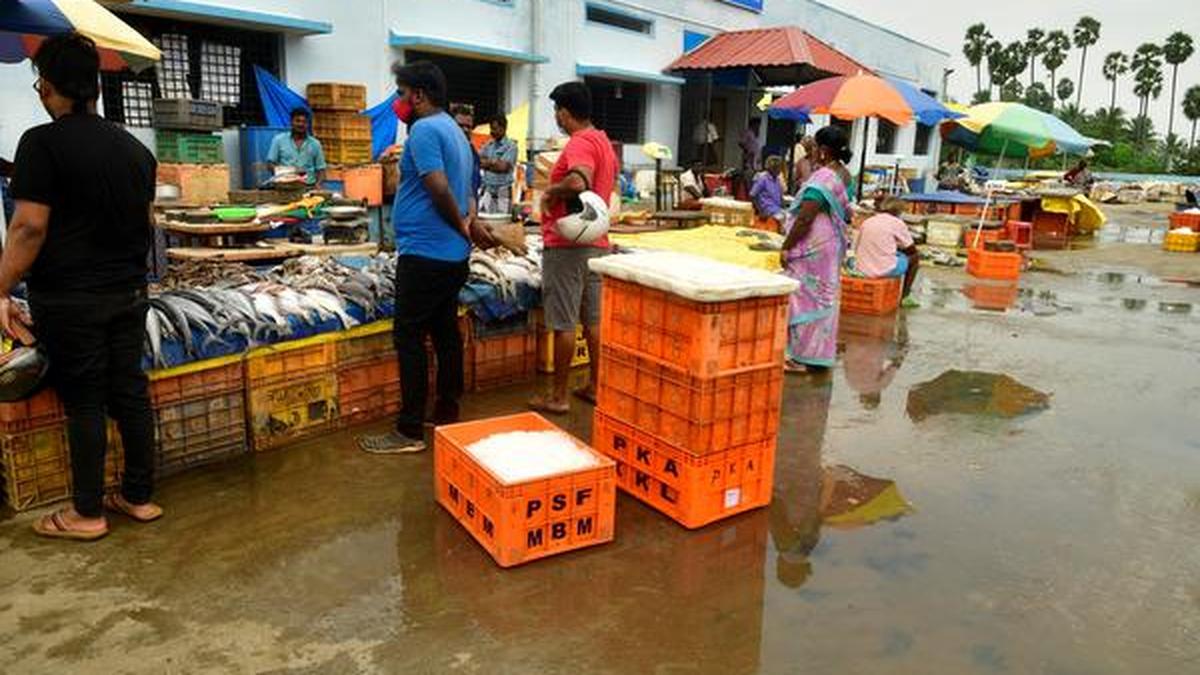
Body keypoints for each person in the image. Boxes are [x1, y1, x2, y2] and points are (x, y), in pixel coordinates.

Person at [0, 33, 161, 540]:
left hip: (72, 299)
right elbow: (147, 224)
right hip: (129, 293)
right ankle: (138, 497)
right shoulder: (135, 150)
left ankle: (86, 514)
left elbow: (28, 228)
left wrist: (0, 288)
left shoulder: (41, 144)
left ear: (46, 85)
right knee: (130, 391)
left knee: (86, 400)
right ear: (93, 85)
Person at [358, 61, 493, 455]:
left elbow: (437, 188)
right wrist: (467, 225)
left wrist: (462, 226)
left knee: (410, 337)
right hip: (450, 256)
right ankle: (446, 412)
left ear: (418, 95)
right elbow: (466, 189)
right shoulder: (455, 131)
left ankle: (409, 429)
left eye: (401, 93)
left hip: (426, 253)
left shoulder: (423, 131)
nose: (399, 101)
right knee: (445, 333)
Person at [528, 81, 618, 414]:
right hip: (597, 244)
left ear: (565, 112)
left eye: (556, 111)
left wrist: (552, 193)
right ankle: (595, 386)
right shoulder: (604, 142)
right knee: (592, 320)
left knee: (564, 322)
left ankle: (558, 396)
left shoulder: (579, 142)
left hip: (567, 245)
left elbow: (579, 180)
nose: (556, 117)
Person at [779, 125, 853, 374]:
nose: (809, 152)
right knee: (820, 298)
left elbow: (805, 217)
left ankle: (800, 357)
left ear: (823, 150)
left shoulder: (824, 178)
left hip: (813, 247)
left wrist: (786, 246)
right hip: (828, 244)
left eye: (812, 148)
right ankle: (815, 355)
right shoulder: (842, 174)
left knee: (802, 297)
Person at [853, 195, 920, 305]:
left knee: (895, 254)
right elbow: (911, 250)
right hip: (884, 269)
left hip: (862, 268)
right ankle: (905, 296)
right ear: (898, 211)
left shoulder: (869, 221)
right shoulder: (897, 223)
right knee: (914, 259)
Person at [267, 108, 327, 186]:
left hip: (308, 186)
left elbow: (321, 170)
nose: (301, 124)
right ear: (291, 122)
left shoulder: (315, 144)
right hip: (284, 187)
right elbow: (270, 164)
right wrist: (285, 173)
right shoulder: (279, 140)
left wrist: (318, 185)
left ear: (308, 124)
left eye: (304, 122)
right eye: (297, 121)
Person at [479, 114, 518, 215]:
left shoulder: (511, 146)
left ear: (503, 128)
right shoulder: (488, 145)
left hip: (503, 190)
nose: (492, 132)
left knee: (503, 219)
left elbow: (503, 167)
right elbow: (479, 162)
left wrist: (488, 163)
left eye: (495, 129)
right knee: (485, 218)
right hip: (487, 188)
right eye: (491, 128)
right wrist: (494, 162)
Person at [451, 105, 483, 199]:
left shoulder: (472, 152)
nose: (465, 130)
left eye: (468, 127)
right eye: (460, 125)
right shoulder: (443, 152)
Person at [750, 156, 786, 232]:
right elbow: (752, 195)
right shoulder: (763, 179)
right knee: (783, 219)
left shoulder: (777, 180)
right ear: (772, 168)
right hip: (767, 210)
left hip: (777, 209)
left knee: (790, 217)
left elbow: (780, 196)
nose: (780, 171)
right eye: (778, 168)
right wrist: (760, 211)